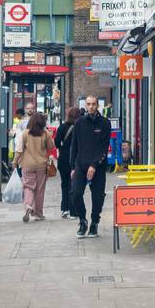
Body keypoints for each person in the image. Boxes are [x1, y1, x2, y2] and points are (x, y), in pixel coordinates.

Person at [69, 95, 112, 238]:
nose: (91, 106)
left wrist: (94, 165)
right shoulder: (79, 122)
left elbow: (103, 148)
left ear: (97, 105)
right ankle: (82, 220)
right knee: (75, 193)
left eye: (94, 104)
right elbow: (74, 146)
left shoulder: (105, 123)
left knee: (98, 196)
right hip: (81, 165)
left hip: (98, 167)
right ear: (85, 105)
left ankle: (94, 222)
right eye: (89, 104)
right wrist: (72, 167)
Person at [18, 112, 56, 221]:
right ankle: (38, 213)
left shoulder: (25, 133)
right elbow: (51, 146)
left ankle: (28, 205)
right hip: (41, 165)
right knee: (39, 190)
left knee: (28, 187)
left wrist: (15, 162)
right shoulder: (45, 133)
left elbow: (19, 149)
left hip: (27, 165)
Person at [55, 105, 81, 219]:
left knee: (64, 184)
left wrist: (62, 147)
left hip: (63, 160)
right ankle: (72, 210)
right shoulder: (80, 127)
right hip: (75, 160)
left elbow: (56, 142)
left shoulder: (62, 127)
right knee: (73, 185)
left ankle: (64, 209)